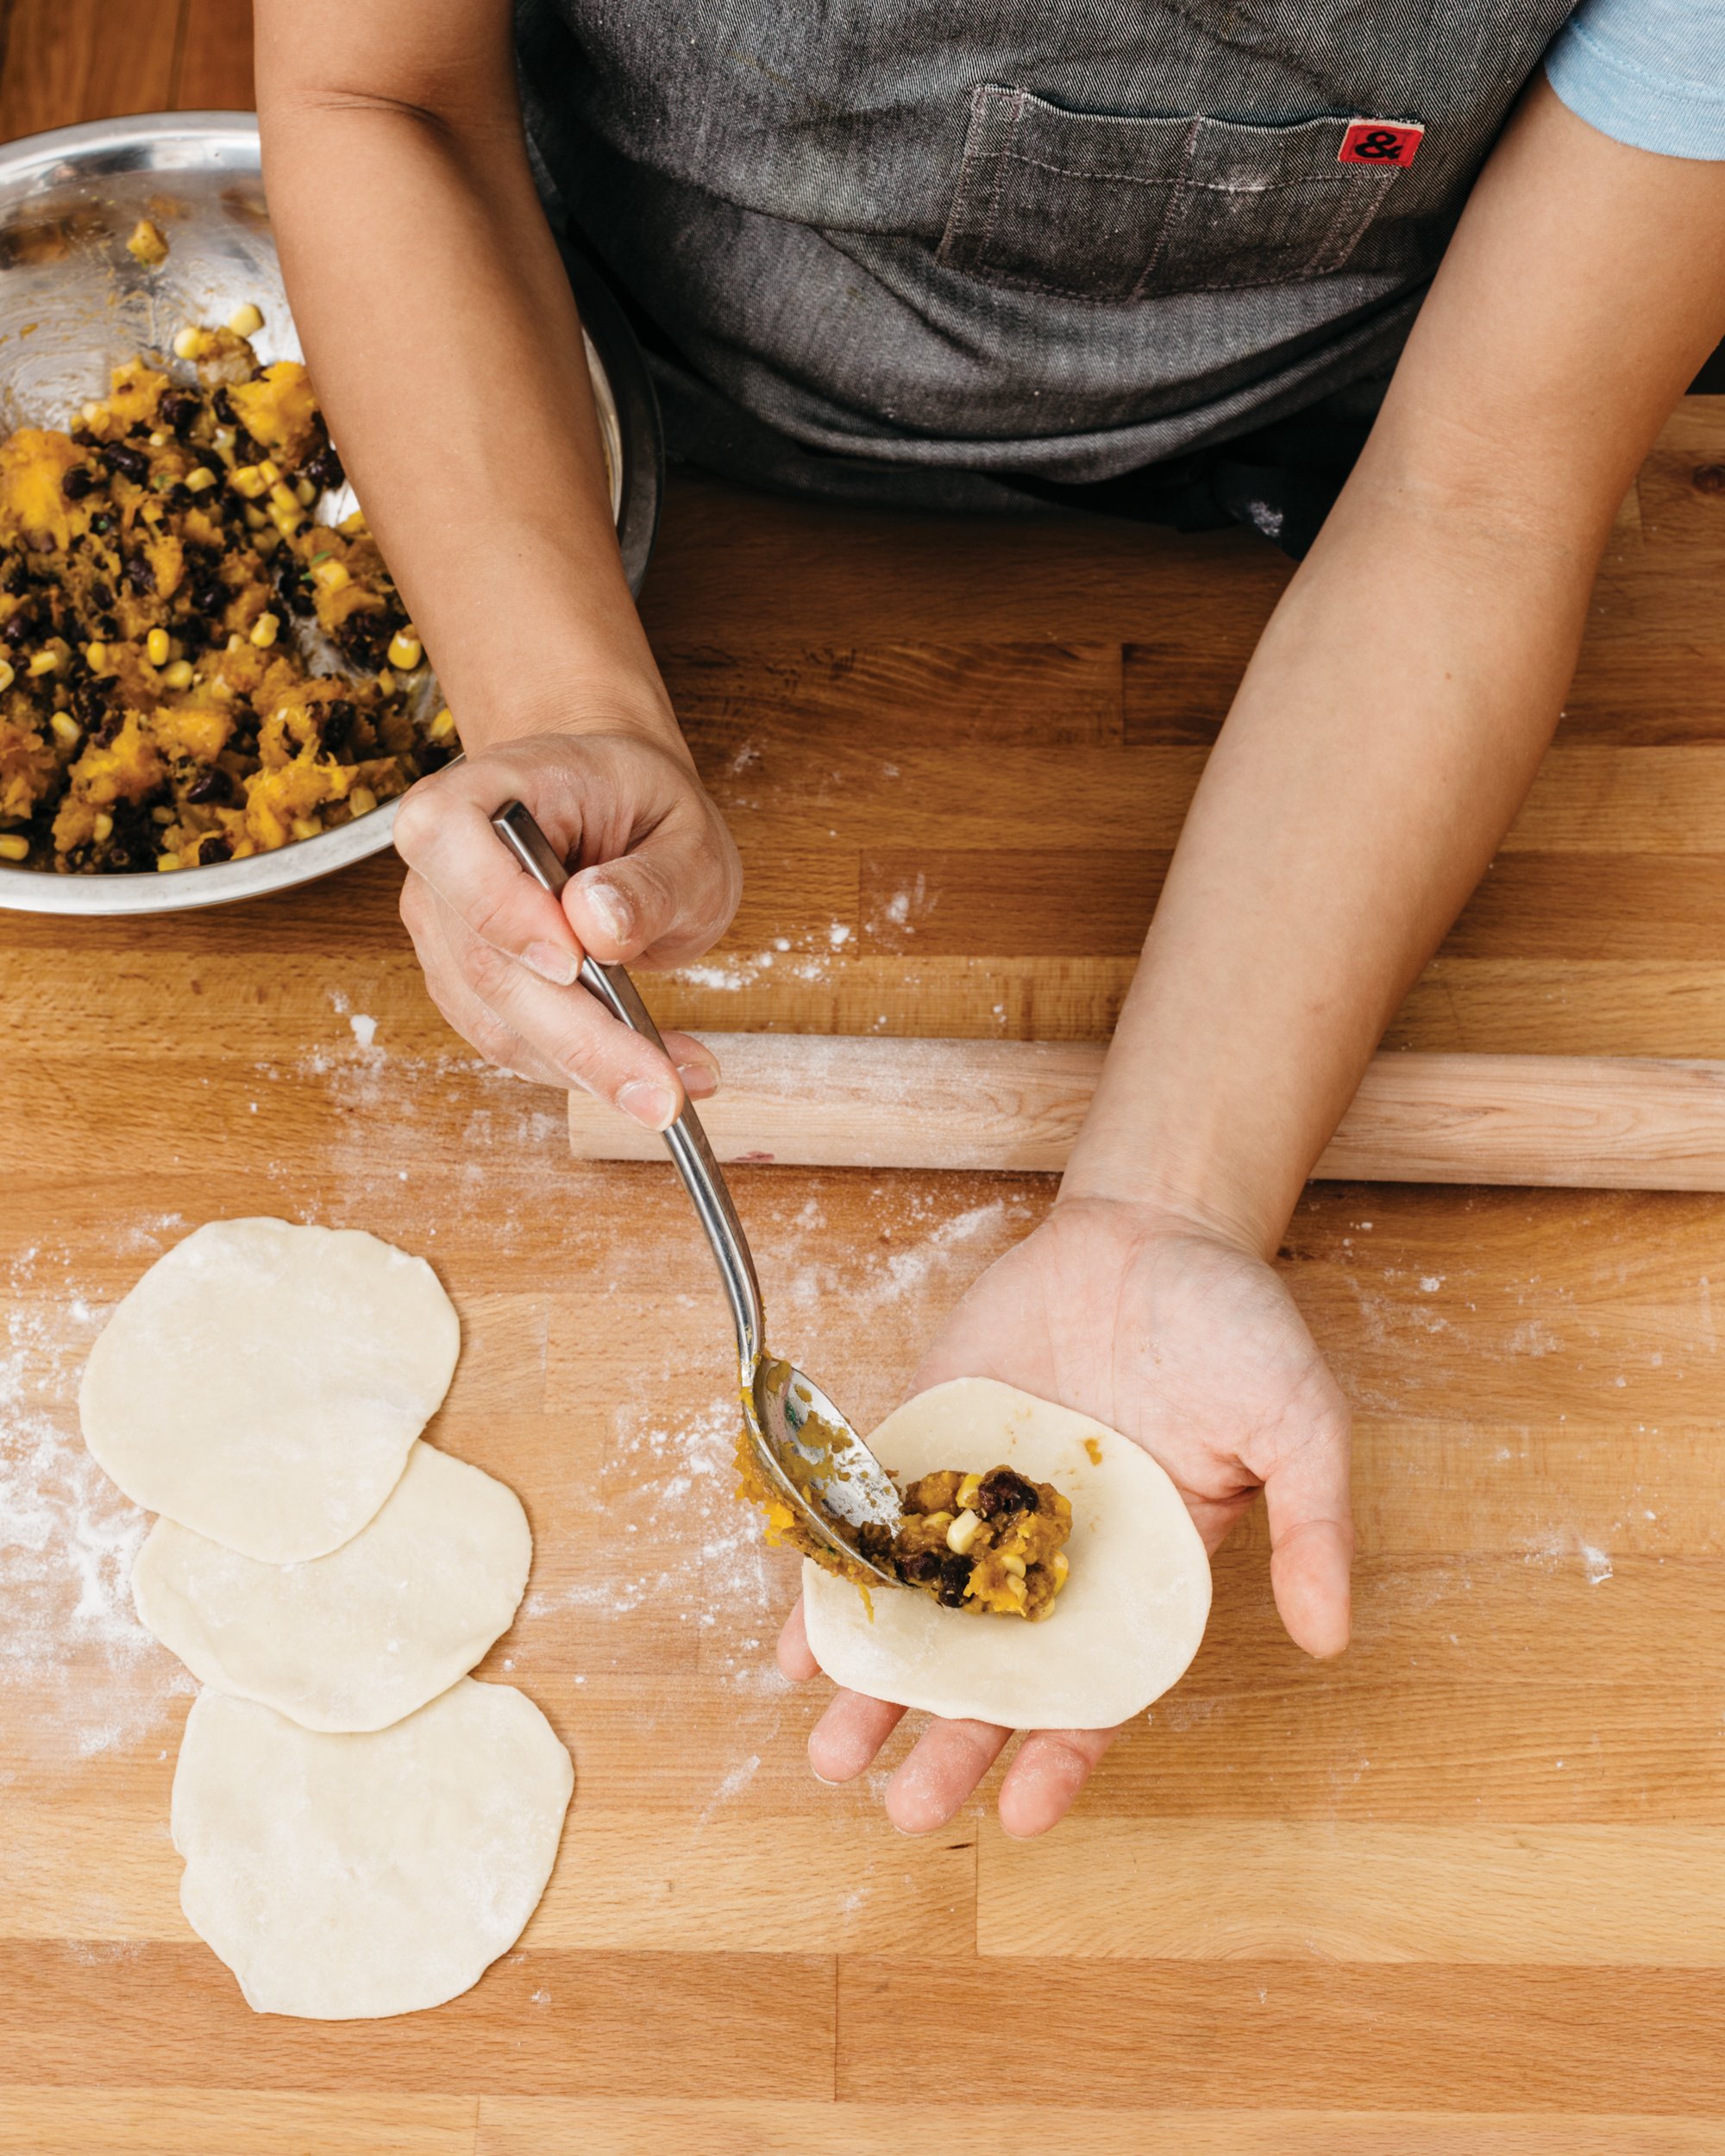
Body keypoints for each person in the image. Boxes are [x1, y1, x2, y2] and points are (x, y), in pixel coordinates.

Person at [257, 0, 1725, 1837]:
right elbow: (374, 86)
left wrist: (1167, 1197)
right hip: (606, 372)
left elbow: (1483, 491)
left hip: (1346, 423)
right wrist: (572, 701)